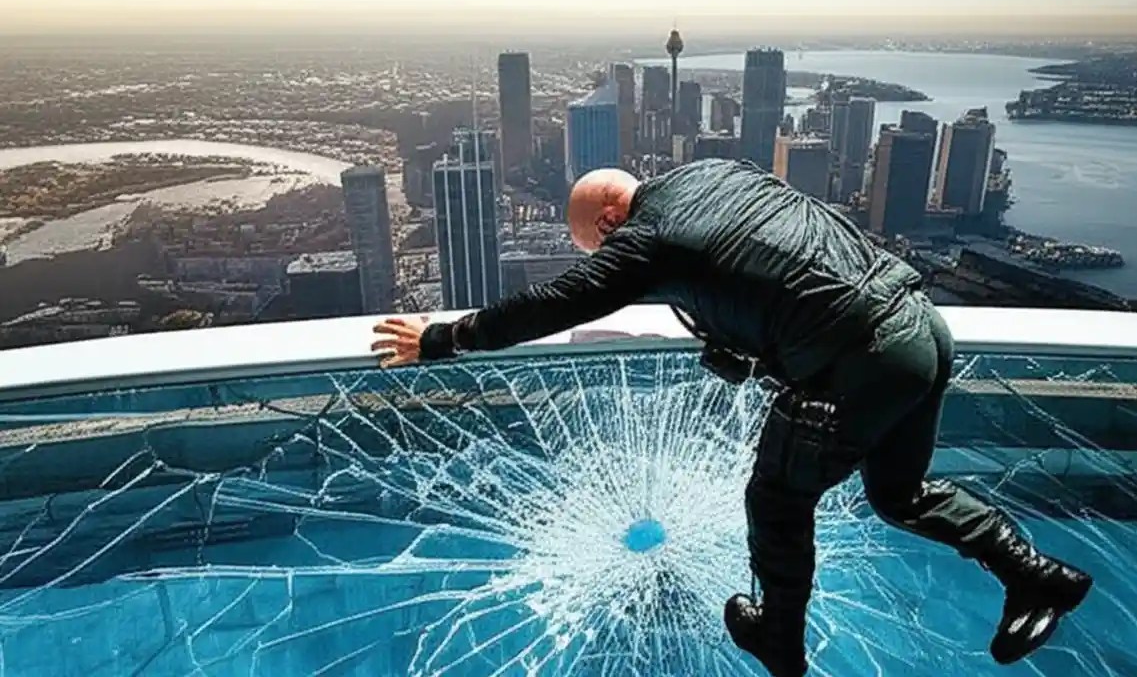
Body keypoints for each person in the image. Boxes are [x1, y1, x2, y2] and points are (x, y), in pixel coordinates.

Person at [372, 159, 1092, 676]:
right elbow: (775, 265)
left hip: (857, 361)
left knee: (776, 498)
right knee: (899, 495)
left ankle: (779, 642)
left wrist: (442, 338)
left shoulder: (645, 238)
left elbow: (549, 306)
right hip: (919, 327)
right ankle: (1038, 577)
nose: (609, 258)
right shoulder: (716, 172)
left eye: (598, 246)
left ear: (609, 219)